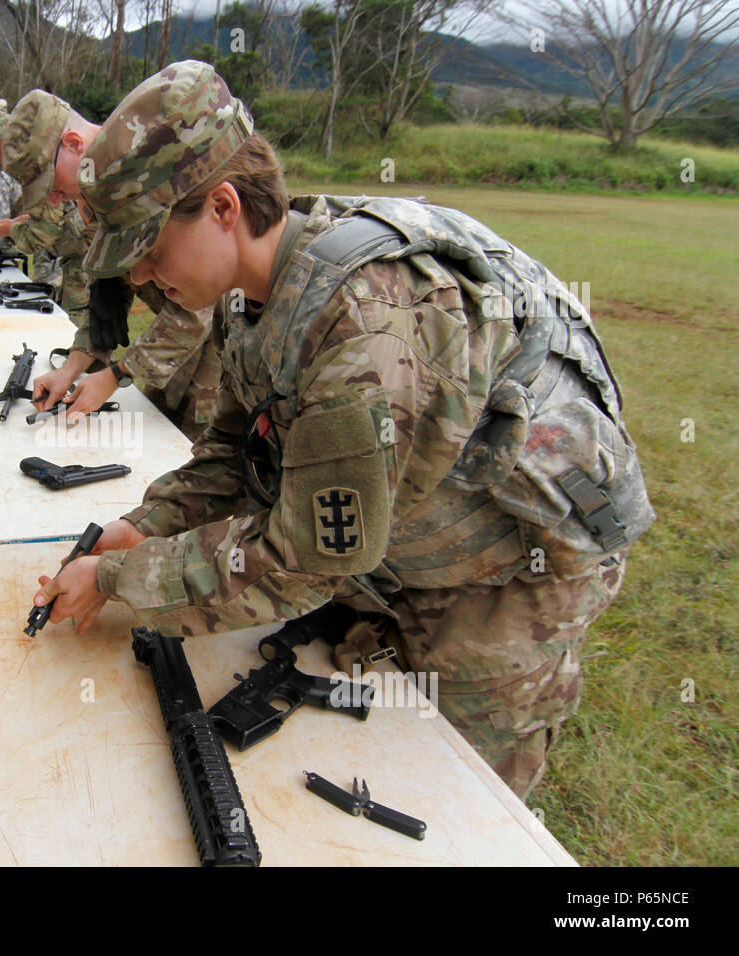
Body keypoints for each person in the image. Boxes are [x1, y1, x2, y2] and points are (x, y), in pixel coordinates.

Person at [32, 61, 654, 800]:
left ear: (224, 206)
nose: (139, 278)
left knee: (457, 795)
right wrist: (146, 525)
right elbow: (233, 456)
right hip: (401, 545)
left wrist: (117, 578)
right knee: (370, 733)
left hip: (508, 578)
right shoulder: (255, 298)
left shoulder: (371, 324)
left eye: (149, 248)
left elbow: (303, 560)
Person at [0, 88, 223, 440]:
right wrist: (71, 368)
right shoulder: (99, 196)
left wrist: (117, 374)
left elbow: (200, 306)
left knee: (201, 453)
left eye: (53, 185)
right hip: (175, 350)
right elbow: (110, 291)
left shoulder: (155, 170)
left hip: (224, 349)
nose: (55, 198)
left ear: (73, 143)